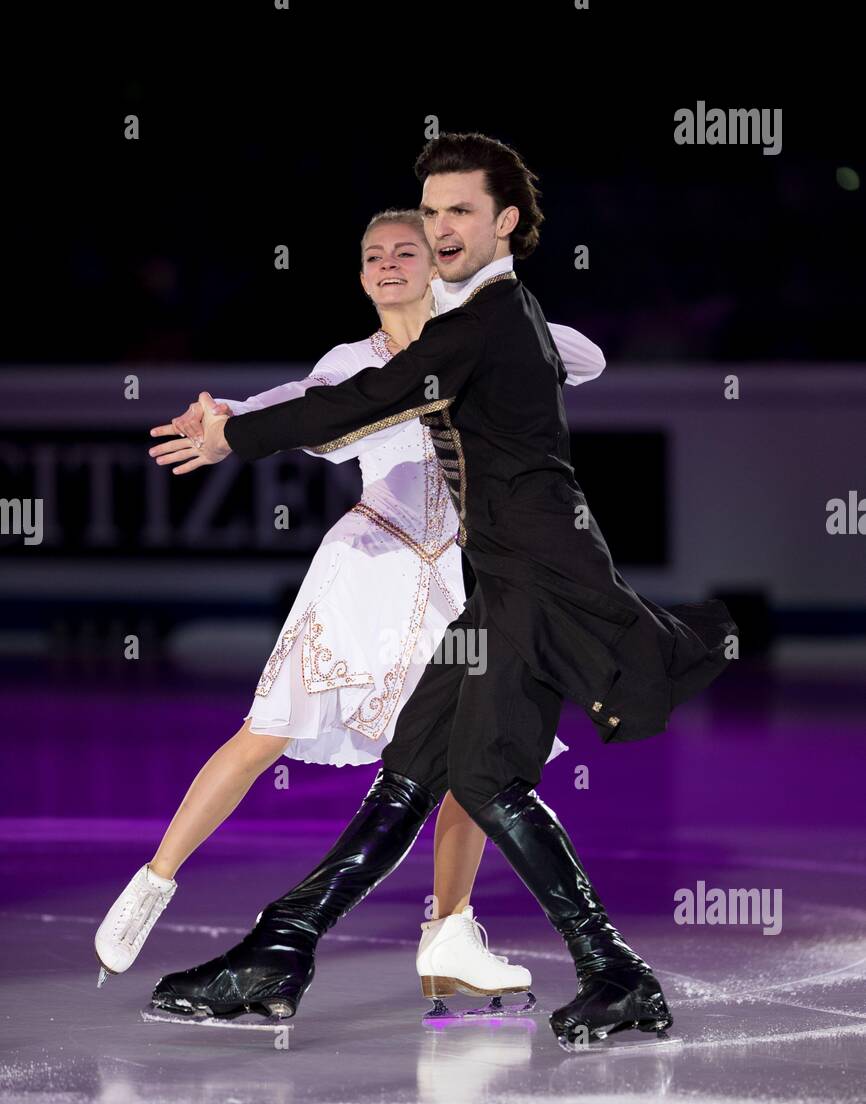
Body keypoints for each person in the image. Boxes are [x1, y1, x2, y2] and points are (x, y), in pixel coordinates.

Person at [148, 132, 737, 1046]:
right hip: (497, 590)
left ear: (505, 222)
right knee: (412, 773)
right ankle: (276, 954)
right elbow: (342, 387)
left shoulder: (488, 321)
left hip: (536, 588)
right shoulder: (485, 320)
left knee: (488, 779)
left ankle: (616, 973)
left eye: (461, 210)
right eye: (431, 211)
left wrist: (237, 438)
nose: (441, 227)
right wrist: (237, 413)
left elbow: (363, 399)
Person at [95, 204, 606, 1017]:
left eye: (410, 250)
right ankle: (154, 882)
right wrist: (227, 416)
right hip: (366, 569)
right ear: (362, 274)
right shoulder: (353, 363)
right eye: (375, 255)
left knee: (468, 763)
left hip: (449, 586)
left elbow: (584, 357)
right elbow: (299, 400)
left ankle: (450, 933)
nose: (390, 264)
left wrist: (481, 300)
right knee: (268, 731)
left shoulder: (481, 338)